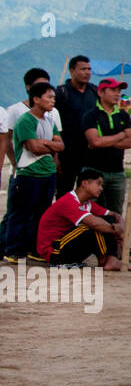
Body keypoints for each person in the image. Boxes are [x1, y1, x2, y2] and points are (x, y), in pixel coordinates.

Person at [1, 69, 62, 252]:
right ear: (35, 97)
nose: (53, 100)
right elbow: (32, 147)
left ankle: (34, 249)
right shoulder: (23, 118)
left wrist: (45, 143)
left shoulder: (50, 119)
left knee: (41, 213)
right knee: (20, 213)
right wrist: (49, 144)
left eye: (53, 97)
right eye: (49, 97)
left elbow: (61, 145)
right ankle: (12, 250)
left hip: (48, 172)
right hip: (28, 171)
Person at [37, 168, 124, 270]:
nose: (101, 188)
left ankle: (109, 259)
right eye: (98, 184)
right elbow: (94, 224)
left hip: (67, 245)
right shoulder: (68, 201)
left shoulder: (87, 203)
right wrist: (116, 231)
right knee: (94, 227)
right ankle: (108, 259)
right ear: (85, 183)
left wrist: (120, 226)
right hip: (54, 251)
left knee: (107, 220)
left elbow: (114, 215)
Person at [82, 77, 131, 217]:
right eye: (113, 90)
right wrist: (120, 135)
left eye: (119, 91)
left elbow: (130, 142)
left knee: (115, 213)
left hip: (117, 172)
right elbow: (95, 142)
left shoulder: (123, 115)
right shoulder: (91, 115)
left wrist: (103, 141)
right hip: (94, 170)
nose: (117, 94)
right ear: (101, 93)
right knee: (88, 211)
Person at [54, 56, 98, 197]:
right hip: (67, 154)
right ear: (72, 71)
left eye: (89, 69)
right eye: (83, 69)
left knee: (87, 194)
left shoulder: (95, 92)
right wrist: (55, 155)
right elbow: (53, 125)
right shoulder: (61, 93)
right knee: (64, 193)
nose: (87, 72)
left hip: (91, 154)